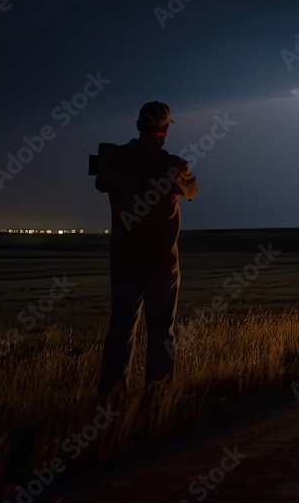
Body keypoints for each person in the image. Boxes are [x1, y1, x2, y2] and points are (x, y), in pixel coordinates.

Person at [95, 101, 198, 400]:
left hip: (125, 263)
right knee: (162, 335)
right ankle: (157, 400)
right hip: (161, 265)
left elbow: (101, 181)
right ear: (164, 130)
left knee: (120, 334)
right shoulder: (173, 166)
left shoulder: (116, 160)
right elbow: (192, 191)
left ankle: (111, 402)